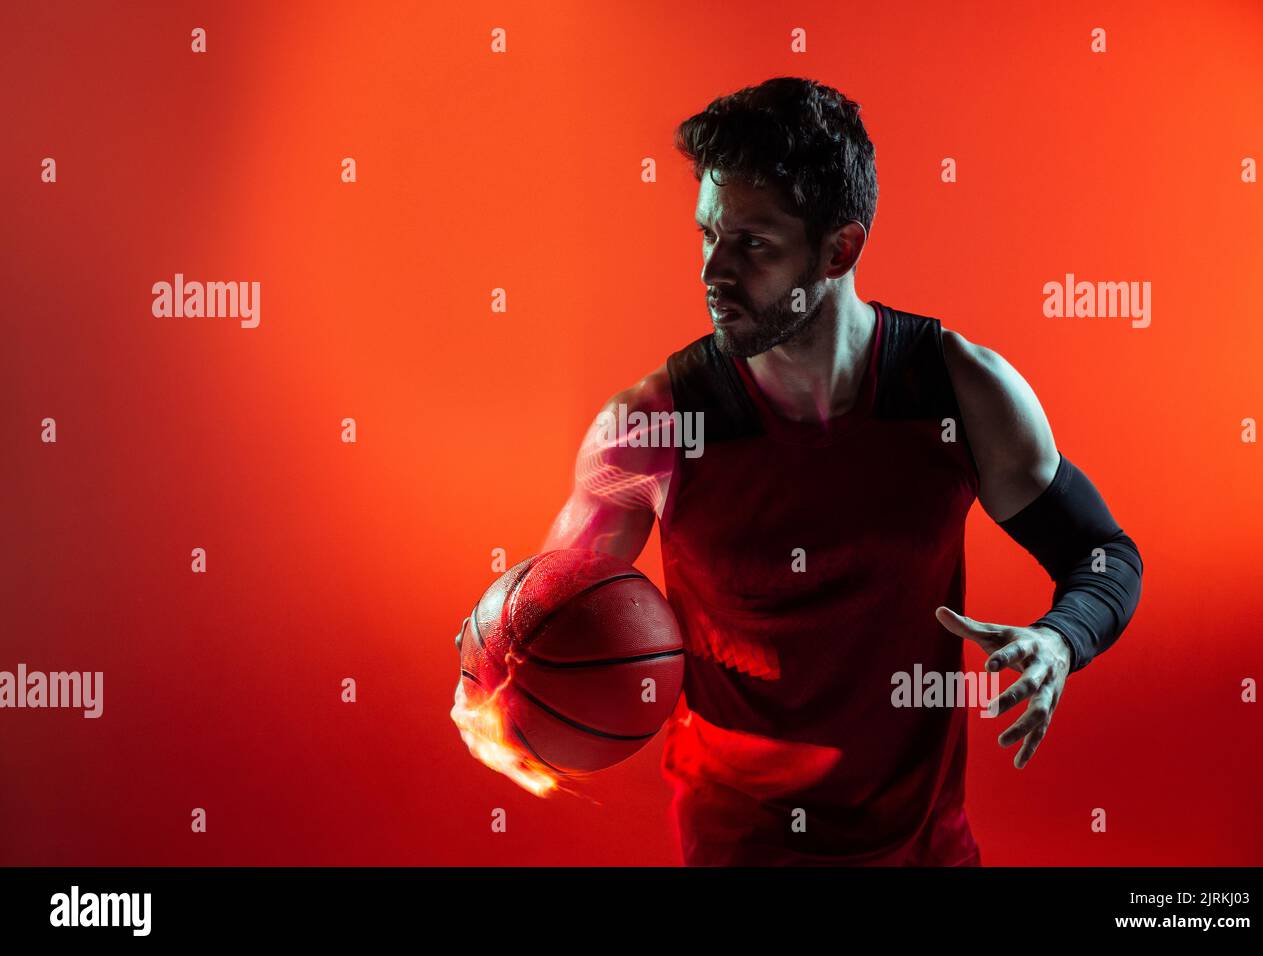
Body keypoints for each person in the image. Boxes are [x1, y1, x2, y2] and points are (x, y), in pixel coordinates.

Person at [468, 76, 1143, 866]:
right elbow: (550, 610)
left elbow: (1104, 558)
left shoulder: (956, 391)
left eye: (752, 243)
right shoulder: (655, 425)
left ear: (840, 248)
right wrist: (491, 675)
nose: (713, 270)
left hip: (922, 845)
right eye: (707, 234)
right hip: (738, 845)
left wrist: (1061, 642)